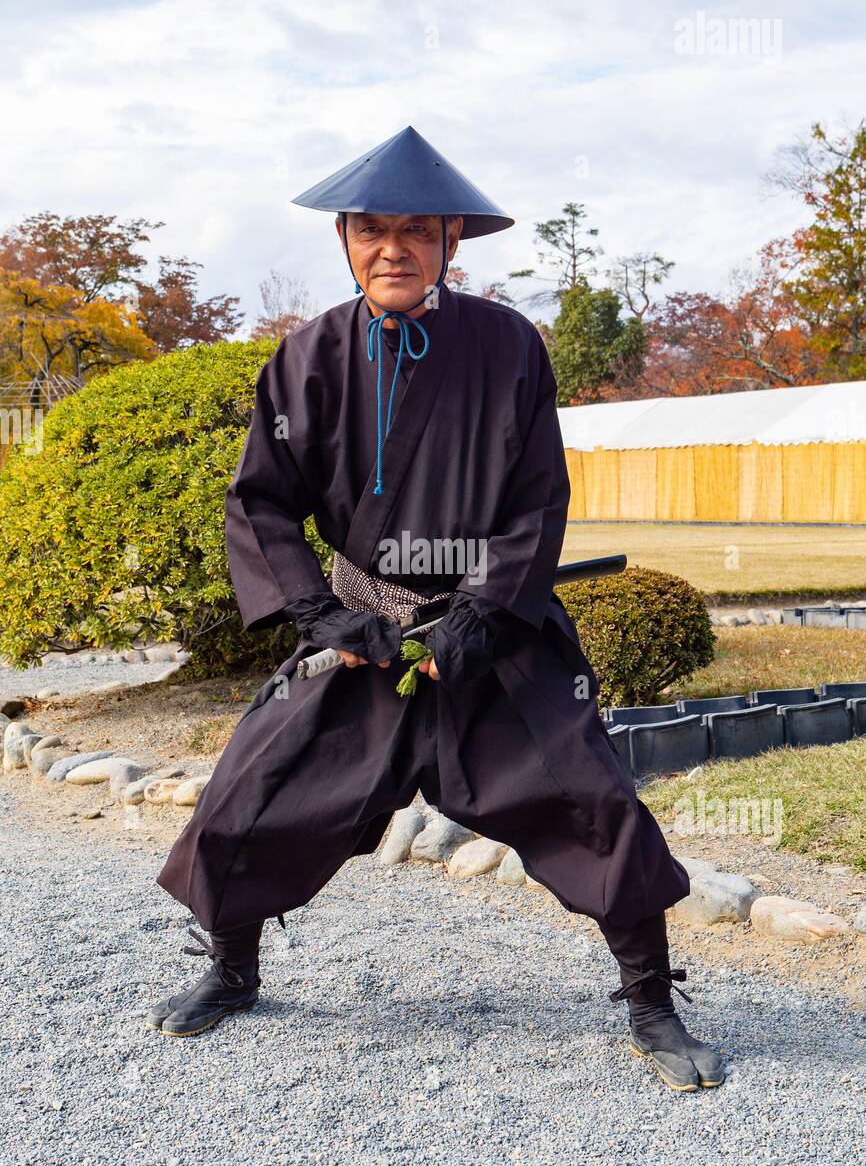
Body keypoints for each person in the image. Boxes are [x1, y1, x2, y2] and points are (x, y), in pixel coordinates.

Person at [149, 126, 724, 1092]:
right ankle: (232, 970)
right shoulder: (306, 359)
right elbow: (257, 501)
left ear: (452, 239)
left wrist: (485, 611)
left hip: (491, 634)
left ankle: (651, 1003)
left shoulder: (508, 347)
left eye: (416, 230)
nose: (393, 249)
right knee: (252, 791)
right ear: (344, 239)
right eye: (372, 229)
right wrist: (317, 616)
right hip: (364, 632)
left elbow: (540, 495)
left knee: (596, 802)